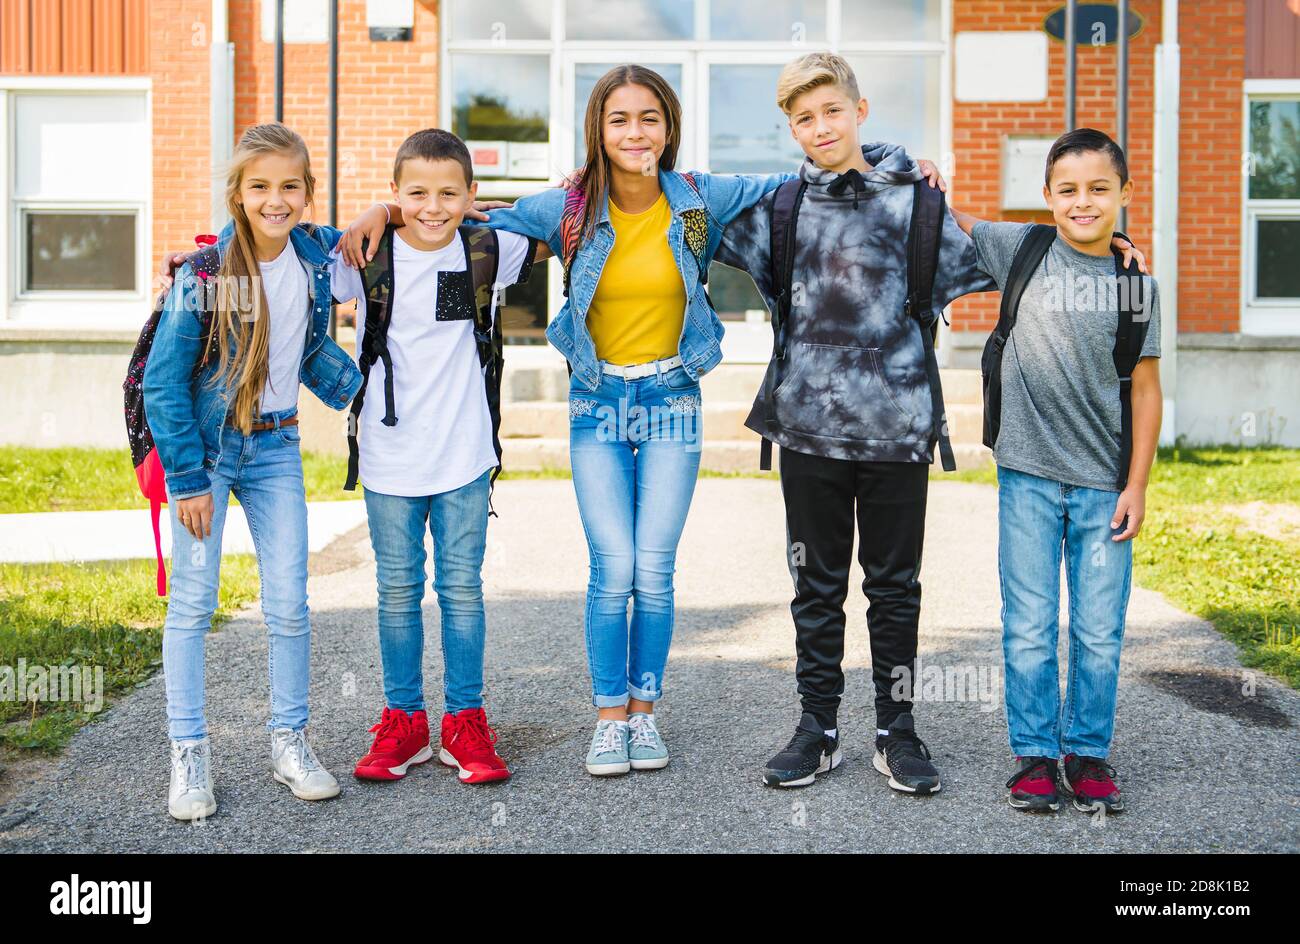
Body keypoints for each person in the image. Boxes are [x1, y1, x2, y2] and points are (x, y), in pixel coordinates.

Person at [144, 122, 362, 820]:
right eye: (260, 186)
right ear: (238, 194)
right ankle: (189, 755)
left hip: (275, 450)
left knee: (290, 603)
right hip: (208, 454)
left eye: (289, 186)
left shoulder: (312, 254)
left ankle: (289, 742)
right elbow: (163, 381)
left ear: (307, 193)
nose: (276, 199)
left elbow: (367, 229)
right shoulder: (207, 277)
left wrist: (388, 209)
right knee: (194, 604)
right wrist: (184, 480)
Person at [952, 128, 1161, 815]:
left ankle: (1089, 753)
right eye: (1067, 190)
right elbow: (946, 215)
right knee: (1031, 621)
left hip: (1105, 482)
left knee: (1100, 628)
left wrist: (1136, 485)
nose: (1083, 202)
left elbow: (1146, 390)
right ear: (1046, 197)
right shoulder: (1022, 248)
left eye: (1099, 189)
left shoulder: (1136, 285)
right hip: (1028, 475)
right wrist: (915, 169)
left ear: (1124, 195)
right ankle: (1035, 755)